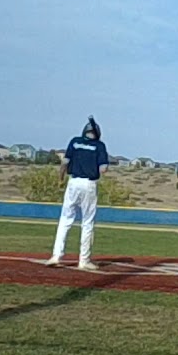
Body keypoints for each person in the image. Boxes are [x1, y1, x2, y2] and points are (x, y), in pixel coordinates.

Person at [46, 116, 109, 271]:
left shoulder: (74, 141)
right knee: (87, 222)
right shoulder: (99, 145)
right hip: (89, 184)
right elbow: (103, 169)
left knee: (65, 219)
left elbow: (65, 163)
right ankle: (84, 260)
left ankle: (56, 255)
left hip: (73, 182)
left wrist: (60, 178)